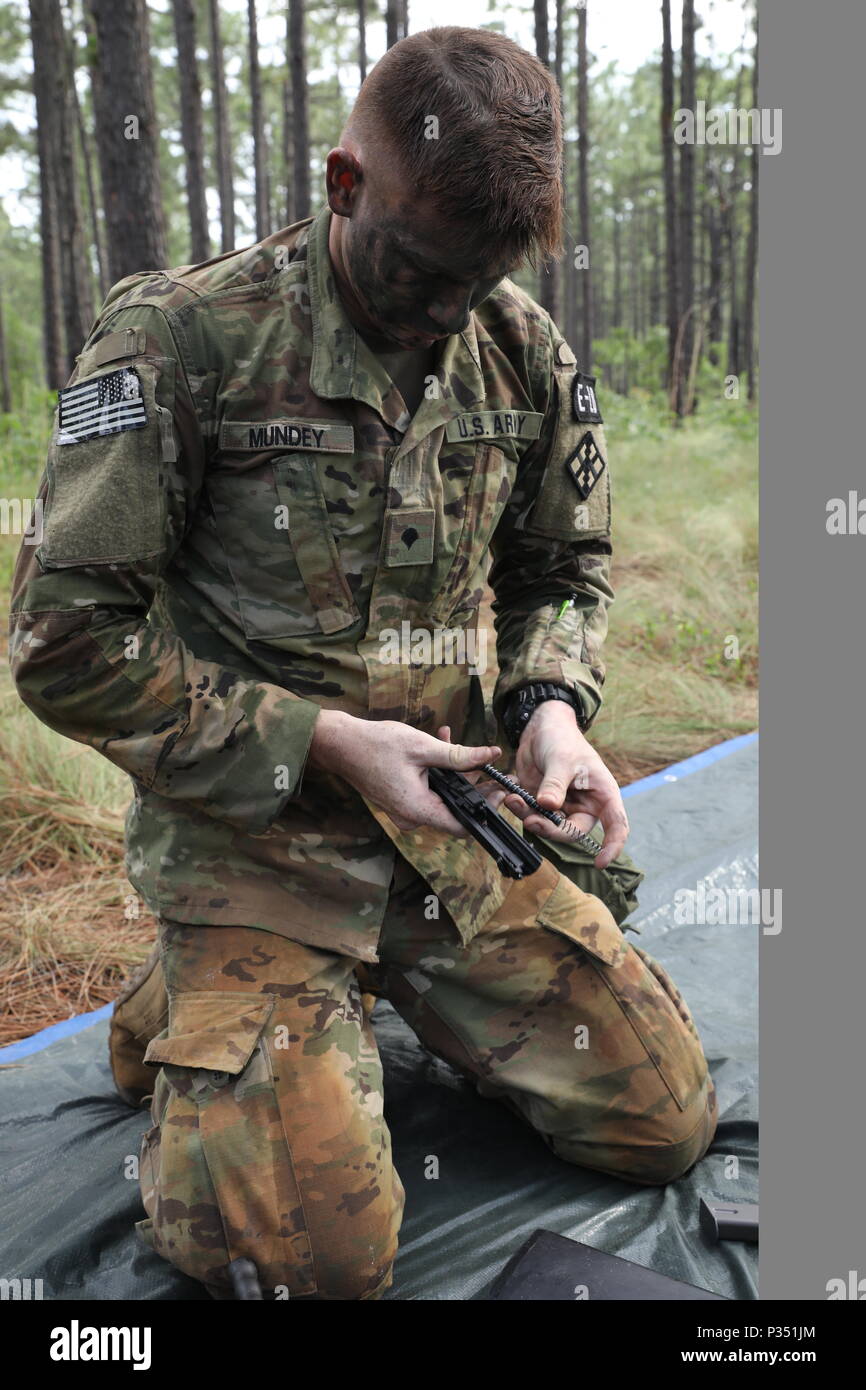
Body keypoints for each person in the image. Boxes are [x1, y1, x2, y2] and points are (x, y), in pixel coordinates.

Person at [9, 27, 717, 1301]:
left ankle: (323, 991)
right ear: (345, 186)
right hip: (258, 841)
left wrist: (550, 709)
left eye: (482, 277)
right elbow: (64, 644)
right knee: (311, 1269)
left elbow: (565, 569)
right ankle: (201, 986)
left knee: (662, 1126)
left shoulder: (514, 346)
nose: (447, 313)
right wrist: (325, 743)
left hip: (449, 833)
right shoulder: (182, 341)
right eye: (425, 270)